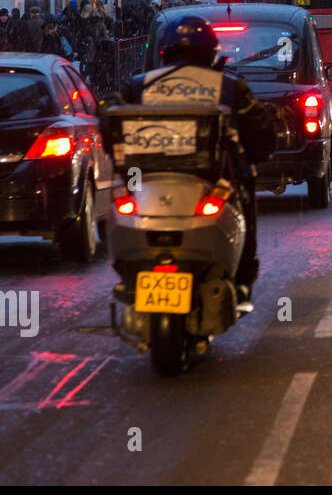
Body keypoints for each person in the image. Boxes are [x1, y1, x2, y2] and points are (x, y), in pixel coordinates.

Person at [118, 16, 276, 301]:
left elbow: (114, 129)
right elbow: (260, 132)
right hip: (211, 180)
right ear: (211, 52)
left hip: (145, 183)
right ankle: (242, 275)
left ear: (164, 51)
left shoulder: (140, 85)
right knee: (245, 191)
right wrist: (259, 152)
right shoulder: (229, 86)